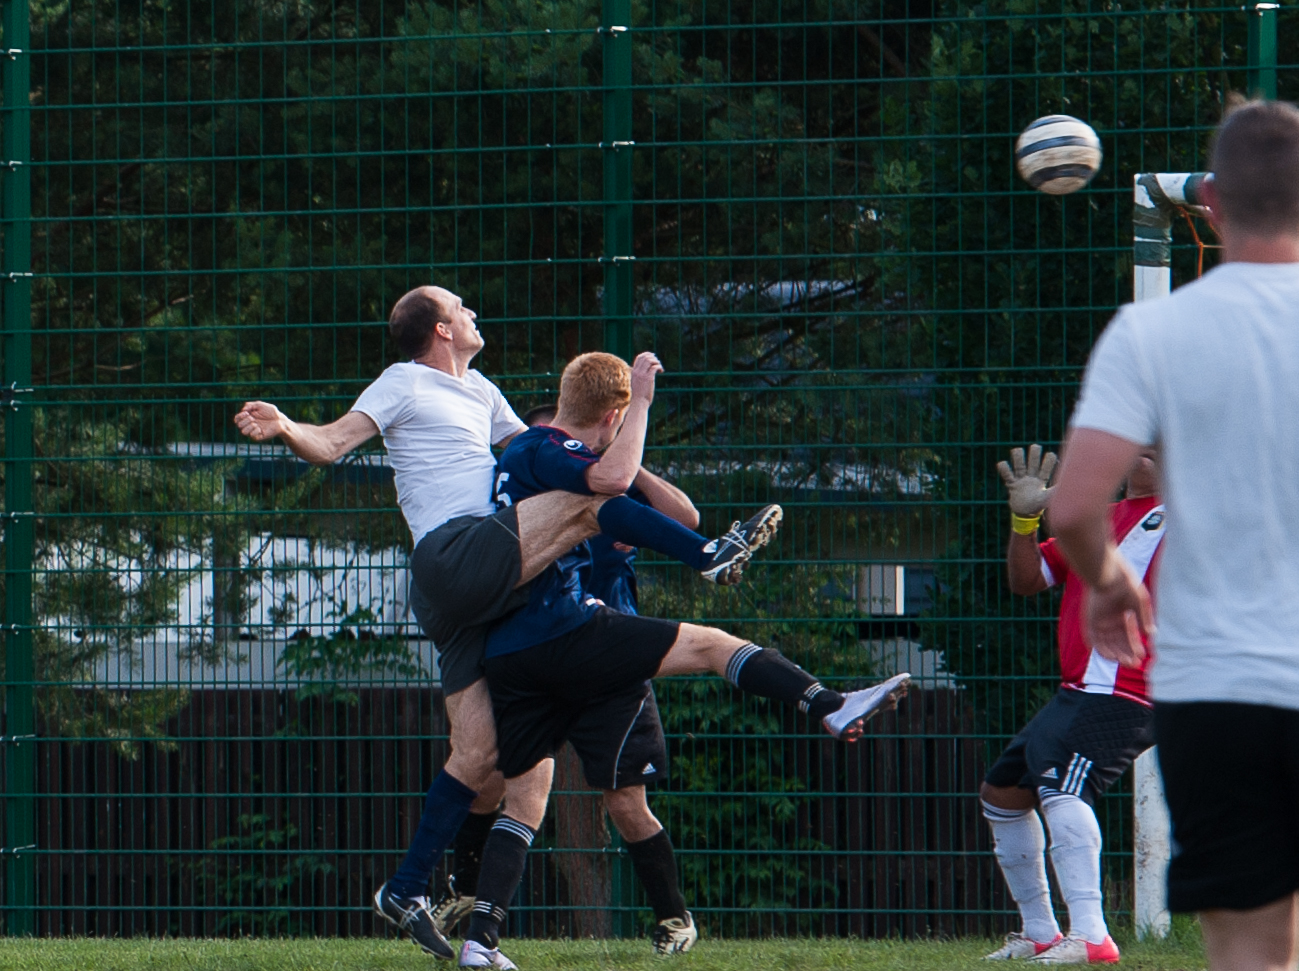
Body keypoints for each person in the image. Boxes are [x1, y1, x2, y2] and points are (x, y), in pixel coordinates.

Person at [232, 286, 778, 958]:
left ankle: (405, 888)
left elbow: (558, 454)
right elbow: (333, 441)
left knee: (478, 752)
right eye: (460, 308)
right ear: (440, 329)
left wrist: (628, 458)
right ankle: (710, 558)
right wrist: (288, 426)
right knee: (584, 507)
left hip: (474, 586)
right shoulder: (404, 381)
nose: (472, 313)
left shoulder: (483, 390)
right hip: (458, 551)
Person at [456, 352, 913, 970]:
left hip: (516, 648)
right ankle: (824, 699)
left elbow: (649, 501)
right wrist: (642, 402)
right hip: (569, 630)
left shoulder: (536, 463)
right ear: (609, 417)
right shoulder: (552, 453)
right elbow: (614, 482)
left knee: (533, 801)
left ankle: (480, 942)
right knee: (710, 644)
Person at [1048, 100, 1299, 971]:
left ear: (1212, 203)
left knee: (1250, 949)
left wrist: (1109, 579)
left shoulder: (1151, 331)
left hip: (1217, 686)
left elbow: (1072, 509)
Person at [982, 445, 1163, 965]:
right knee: (1003, 793)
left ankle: (1092, 937)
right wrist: (1025, 521)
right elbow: (1027, 580)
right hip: (1081, 689)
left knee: (1063, 786)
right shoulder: (1099, 520)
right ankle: (1040, 932)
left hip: (1131, 687)